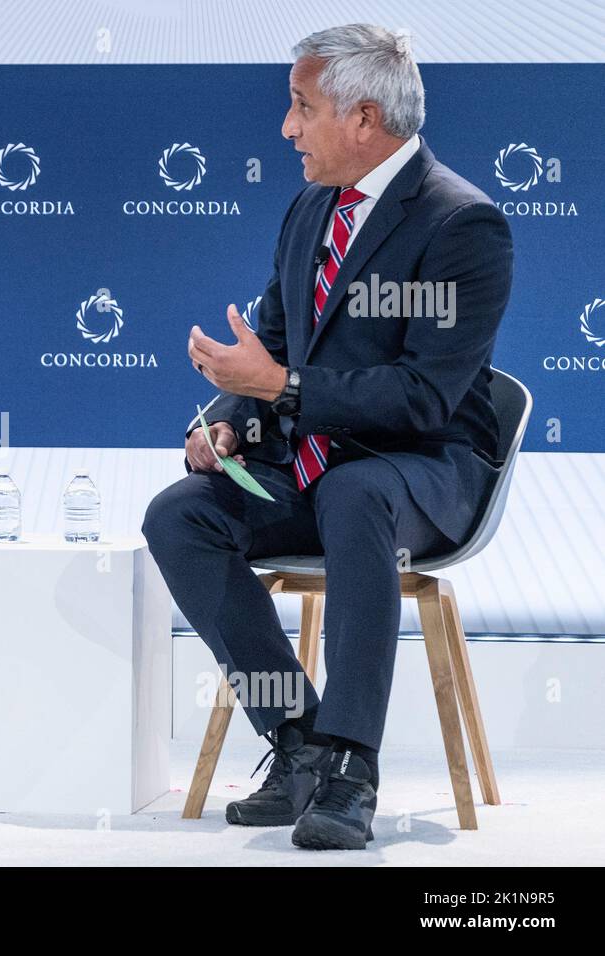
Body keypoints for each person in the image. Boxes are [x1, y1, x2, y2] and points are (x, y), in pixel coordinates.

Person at [142, 24, 512, 849]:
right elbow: (273, 343)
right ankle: (300, 737)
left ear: (364, 118)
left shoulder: (462, 224)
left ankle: (351, 765)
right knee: (179, 514)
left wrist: (280, 388)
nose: (285, 128)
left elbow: (426, 397)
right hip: (314, 466)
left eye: (300, 107)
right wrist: (232, 422)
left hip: (422, 472)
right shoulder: (312, 208)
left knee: (356, 490)